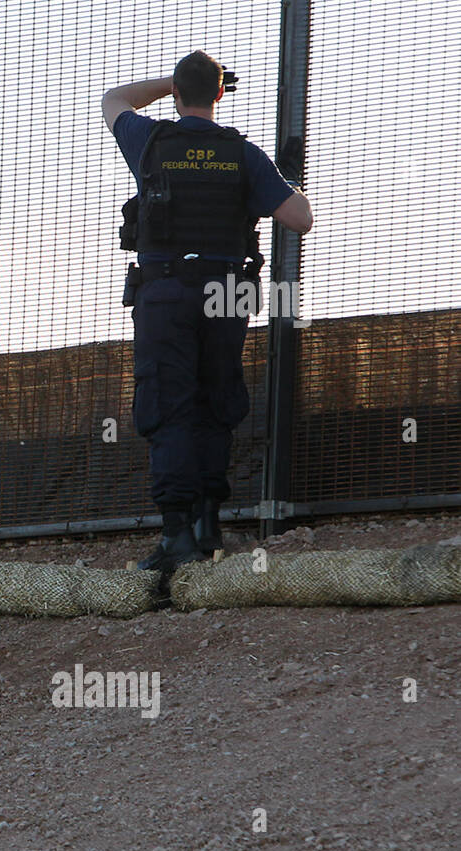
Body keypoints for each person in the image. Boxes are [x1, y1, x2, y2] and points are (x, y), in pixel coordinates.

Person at [102, 51, 313, 574]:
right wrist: (284, 180)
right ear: (220, 94)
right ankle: (208, 525)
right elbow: (300, 218)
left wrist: (169, 83)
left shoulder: (149, 140)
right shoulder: (243, 153)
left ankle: (176, 536)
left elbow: (114, 99)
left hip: (166, 289)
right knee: (216, 399)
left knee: (168, 401)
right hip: (227, 292)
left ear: (176, 94)